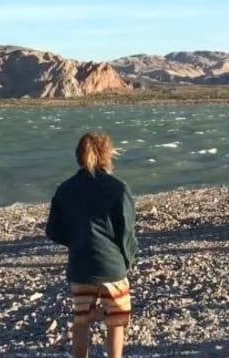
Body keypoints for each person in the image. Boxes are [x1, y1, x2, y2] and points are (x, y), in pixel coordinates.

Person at [46, 133, 138, 358]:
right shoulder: (118, 188)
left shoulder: (65, 189)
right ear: (108, 155)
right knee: (116, 322)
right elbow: (126, 231)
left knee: (81, 320)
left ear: (78, 156)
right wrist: (128, 260)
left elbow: (54, 231)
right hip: (112, 266)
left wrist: (76, 242)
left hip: (80, 266)